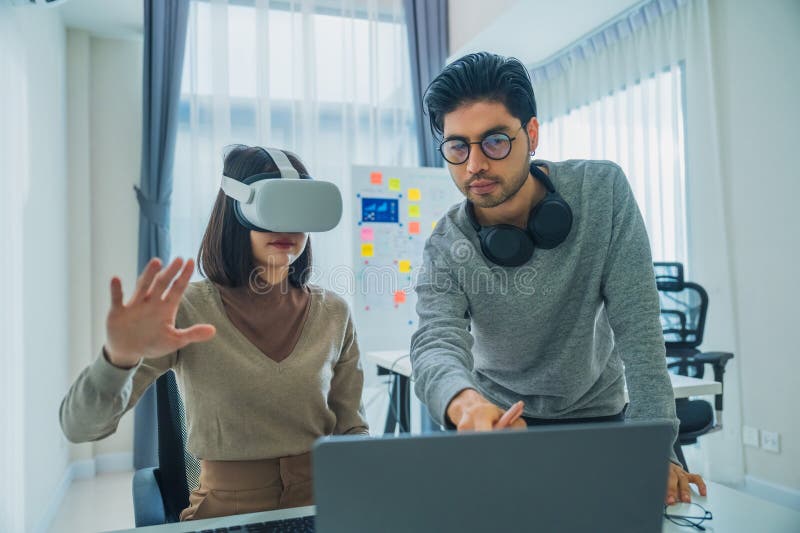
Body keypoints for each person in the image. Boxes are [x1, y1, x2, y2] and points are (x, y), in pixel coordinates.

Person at [409, 52, 706, 506]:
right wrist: (466, 403)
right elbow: (434, 342)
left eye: (493, 142)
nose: (473, 166)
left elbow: (640, 331)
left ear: (531, 133)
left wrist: (658, 451)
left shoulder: (602, 192)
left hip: (600, 421)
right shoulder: (447, 244)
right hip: (501, 425)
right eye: (457, 147)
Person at [60, 145, 368, 521]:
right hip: (224, 515)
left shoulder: (334, 313)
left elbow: (352, 428)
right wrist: (118, 359)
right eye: (272, 208)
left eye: (298, 209)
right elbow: (80, 427)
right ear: (235, 210)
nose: (285, 227)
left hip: (323, 508)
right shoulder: (187, 309)